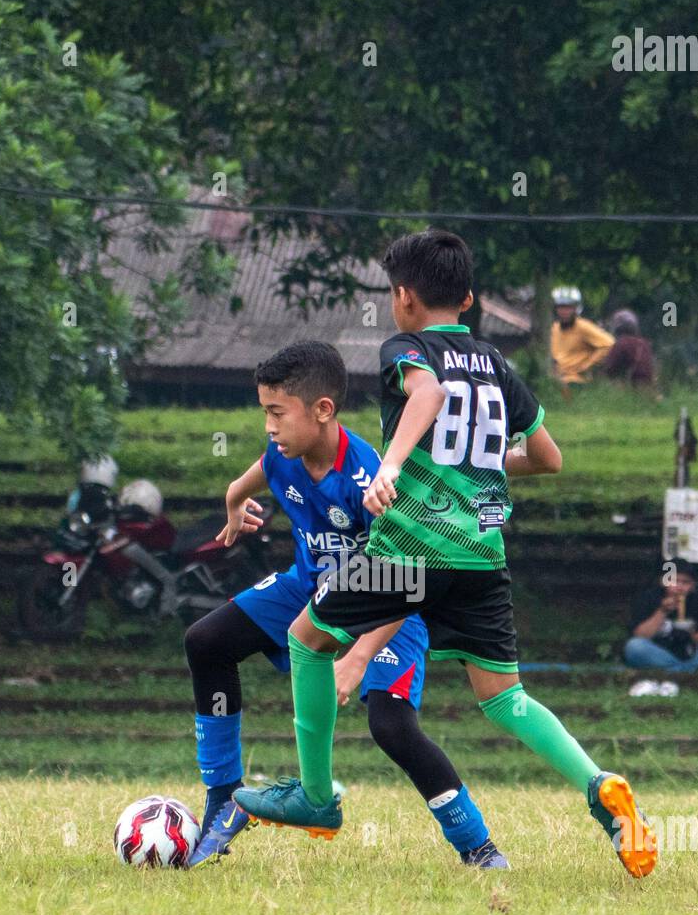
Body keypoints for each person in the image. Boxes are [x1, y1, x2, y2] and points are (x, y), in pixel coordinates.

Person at [234, 231, 658, 879]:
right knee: (504, 698)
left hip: (407, 551)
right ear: (466, 297)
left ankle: (316, 799)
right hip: (479, 559)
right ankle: (599, 787)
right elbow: (547, 457)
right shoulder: (497, 365)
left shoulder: (406, 349)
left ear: (403, 297)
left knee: (304, 639)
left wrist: (393, 466)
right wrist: (475, 471)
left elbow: (427, 394)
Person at [184, 340, 509, 869]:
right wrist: (234, 502)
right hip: (307, 590)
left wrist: (358, 655)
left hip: (386, 608)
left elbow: (410, 574)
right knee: (206, 642)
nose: (268, 426)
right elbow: (246, 480)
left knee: (392, 727)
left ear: (323, 410)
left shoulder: (368, 479)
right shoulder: (282, 454)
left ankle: (478, 846)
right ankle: (224, 799)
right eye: (263, 412)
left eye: (276, 412)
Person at [624, 560, 698, 672]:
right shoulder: (647, 598)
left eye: (685, 582)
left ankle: (676, 670)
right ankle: (687, 670)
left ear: (692, 585)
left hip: (687, 653)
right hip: (656, 652)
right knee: (634, 647)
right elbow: (640, 635)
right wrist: (662, 611)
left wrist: (691, 632)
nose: (679, 587)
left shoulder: (697, 601)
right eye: (674, 581)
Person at [549, 285, 614, 397]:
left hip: (576, 380)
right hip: (555, 378)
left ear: (576, 308)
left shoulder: (583, 327)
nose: (564, 311)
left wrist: (587, 365)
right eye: (561, 307)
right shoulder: (554, 329)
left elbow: (609, 344)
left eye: (568, 307)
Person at [600, 309, 656, 388]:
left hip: (631, 388)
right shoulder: (644, 343)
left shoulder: (621, 343)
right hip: (647, 389)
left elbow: (609, 369)